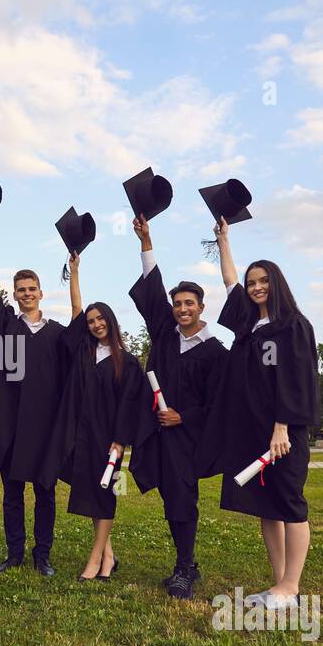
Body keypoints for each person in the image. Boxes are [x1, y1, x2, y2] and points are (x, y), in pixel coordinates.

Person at [199, 217, 319, 611]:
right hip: (253, 431)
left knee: (289, 502)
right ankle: (279, 585)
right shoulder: (250, 328)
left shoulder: (293, 326)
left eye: (263, 281)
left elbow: (294, 377)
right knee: (265, 507)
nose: (256, 287)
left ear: (277, 283)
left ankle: (292, 585)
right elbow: (229, 284)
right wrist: (224, 242)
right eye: (252, 283)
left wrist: (282, 425)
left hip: (281, 433)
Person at [127, 214, 228, 600]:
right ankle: (187, 562)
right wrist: (146, 241)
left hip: (191, 437)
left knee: (183, 497)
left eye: (189, 303)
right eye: (178, 304)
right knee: (172, 499)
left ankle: (185, 566)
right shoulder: (166, 337)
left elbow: (218, 402)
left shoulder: (215, 352)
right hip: (161, 434)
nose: (182, 309)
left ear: (201, 307)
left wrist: (184, 415)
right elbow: (152, 292)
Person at [0, 213, 69, 577]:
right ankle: (14, 554)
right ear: (15, 294)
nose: (27, 294)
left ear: (41, 293)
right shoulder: (6, 324)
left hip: (43, 430)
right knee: (12, 494)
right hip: (10, 425)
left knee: (45, 493)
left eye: (32, 289)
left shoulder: (58, 334)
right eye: (21, 289)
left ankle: (43, 555)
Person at [54, 251, 146, 580]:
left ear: (111, 320)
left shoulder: (128, 361)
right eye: (91, 321)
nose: (95, 324)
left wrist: (120, 442)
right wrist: (75, 273)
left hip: (108, 440)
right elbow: (76, 310)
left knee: (105, 495)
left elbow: (130, 404)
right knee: (91, 492)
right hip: (79, 433)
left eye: (100, 319)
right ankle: (109, 554)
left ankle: (96, 561)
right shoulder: (84, 351)